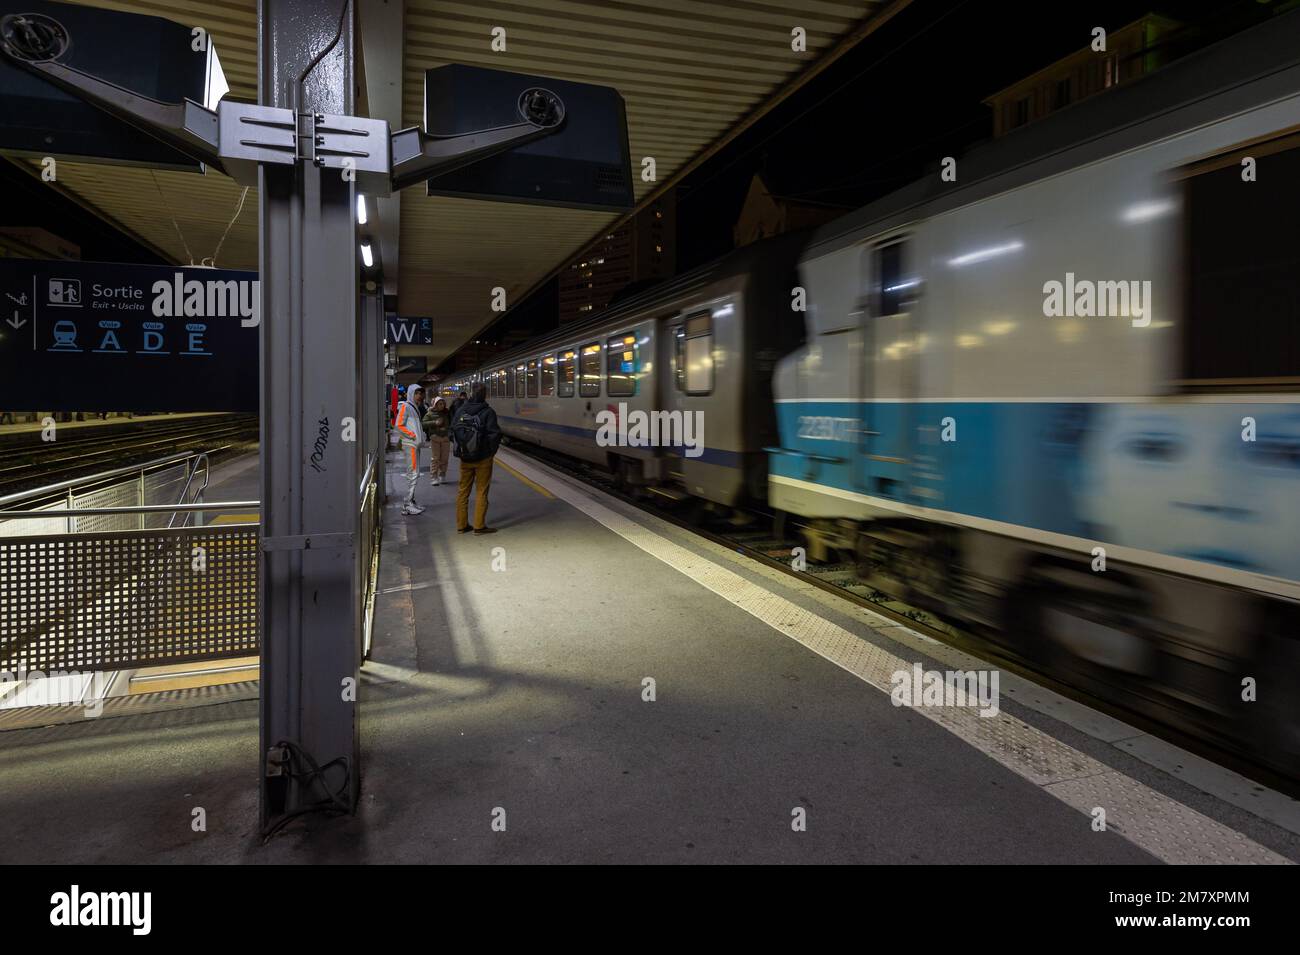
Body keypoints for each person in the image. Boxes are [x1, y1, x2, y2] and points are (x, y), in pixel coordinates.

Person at [451, 383, 502, 535]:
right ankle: (479, 526)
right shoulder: (488, 412)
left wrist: (462, 449)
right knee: (481, 491)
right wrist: (490, 452)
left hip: (465, 458)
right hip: (483, 458)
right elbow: (494, 435)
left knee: (463, 491)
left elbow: (452, 431)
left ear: (470, 393)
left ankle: (461, 525)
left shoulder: (461, 410)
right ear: (484, 394)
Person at [393, 383, 427, 515]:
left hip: (414, 445)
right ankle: (407, 504)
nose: (420, 397)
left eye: (421, 394)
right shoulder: (406, 407)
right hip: (410, 445)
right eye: (418, 394)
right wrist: (412, 436)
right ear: (412, 393)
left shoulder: (414, 408)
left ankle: (411, 502)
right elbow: (399, 425)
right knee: (413, 473)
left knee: (414, 473)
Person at [423, 396, 452, 486]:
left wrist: (449, 431)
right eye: (440, 404)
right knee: (435, 458)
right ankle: (434, 477)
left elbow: (452, 423)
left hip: (445, 438)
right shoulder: (430, 413)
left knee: (444, 458)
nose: (442, 405)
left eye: (443, 403)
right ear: (435, 404)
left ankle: (442, 475)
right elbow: (423, 424)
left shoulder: (447, 413)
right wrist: (434, 423)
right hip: (435, 438)